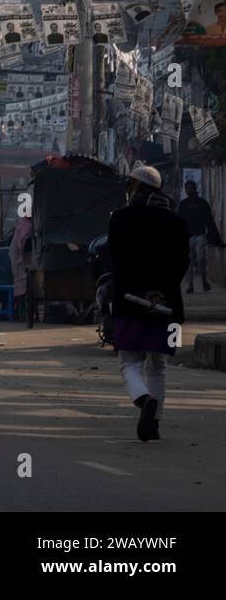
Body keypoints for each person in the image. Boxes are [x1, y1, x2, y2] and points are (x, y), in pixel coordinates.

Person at [108, 164, 187, 441]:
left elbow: (119, 261)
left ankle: (143, 400)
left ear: (137, 187)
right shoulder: (175, 222)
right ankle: (154, 422)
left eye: (130, 185)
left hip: (130, 301)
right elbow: (181, 263)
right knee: (158, 365)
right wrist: (159, 291)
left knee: (129, 362)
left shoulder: (120, 219)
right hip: (166, 304)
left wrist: (141, 291)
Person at [177, 179, 222, 293]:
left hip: (200, 236)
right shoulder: (183, 204)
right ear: (185, 190)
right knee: (189, 262)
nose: (189, 190)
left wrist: (212, 235)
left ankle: (203, 280)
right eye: (187, 188)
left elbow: (209, 220)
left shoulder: (202, 202)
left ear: (195, 189)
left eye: (191, 188)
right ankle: (190, 285)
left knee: (201, 259)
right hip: (187, 237)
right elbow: (179, 222)